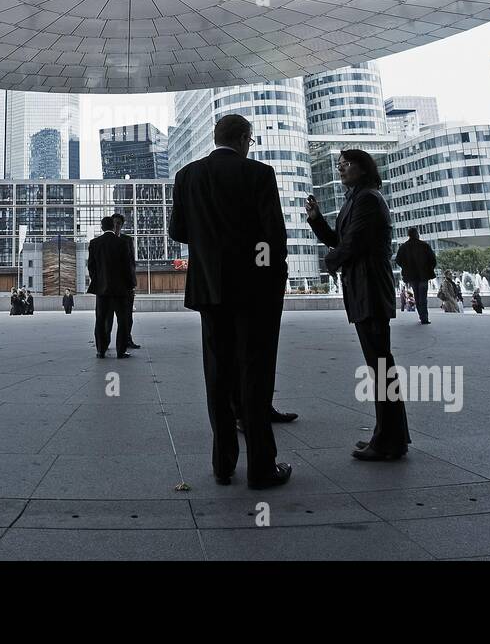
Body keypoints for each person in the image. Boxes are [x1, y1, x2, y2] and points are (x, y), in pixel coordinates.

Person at [168, 114, 291, 490]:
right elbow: (272, 236)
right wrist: (267, 272)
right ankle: (261, 468)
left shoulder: (188, 175)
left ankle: (223, 464)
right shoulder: (259, 173)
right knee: (255, 374)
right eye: (250, 141)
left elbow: (178, 231)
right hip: (254, 291)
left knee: (217, 375)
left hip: (210, 290)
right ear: (242, 139)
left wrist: (211, 244)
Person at [306, 149, 410, 462]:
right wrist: (316, 220)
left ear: (363, 168)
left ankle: (389, 440)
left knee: (380, 366)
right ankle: (391, 436)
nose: (340, 169)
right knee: (379, 366)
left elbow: (352, 244)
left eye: (346, 164)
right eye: (338, 165)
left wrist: (330, 262)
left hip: (371, 289)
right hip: (362, 289)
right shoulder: (356, 198)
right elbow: (341, 239)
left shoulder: (367, 198)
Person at [87, 216, 136, 358]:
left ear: (102, 227)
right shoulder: (122, 243)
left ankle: (101, 350)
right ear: (113, 227)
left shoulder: (94, 243)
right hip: (120, 290)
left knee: (101, 319)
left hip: (102, 290)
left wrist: (98, 281)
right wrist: (130, 284)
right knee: (122, 320)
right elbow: (128, 267)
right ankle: (121, 351)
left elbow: (91, 267)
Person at [110, 213, 141, 349]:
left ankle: (127, 339)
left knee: (128, 316)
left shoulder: (127, 240)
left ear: (122, 225)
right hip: (110, 285)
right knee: (107, 318)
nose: (116, 225)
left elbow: (131, 263)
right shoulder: (104, 240)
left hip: (125, 285)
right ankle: (105, 343)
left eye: (119, 223)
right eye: (114, 223)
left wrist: (132, 283)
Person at [394, 227, 436, 325]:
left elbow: (398, 260)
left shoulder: (403, 247)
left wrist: (406, 268)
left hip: (412, 276)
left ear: (409, 235)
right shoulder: (424, 246)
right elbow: (433, 259)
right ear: (417, 234)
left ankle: (421, 315)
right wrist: (429, 269)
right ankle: (424, 317)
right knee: (423, 296)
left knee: (417, 296)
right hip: (423, 275)